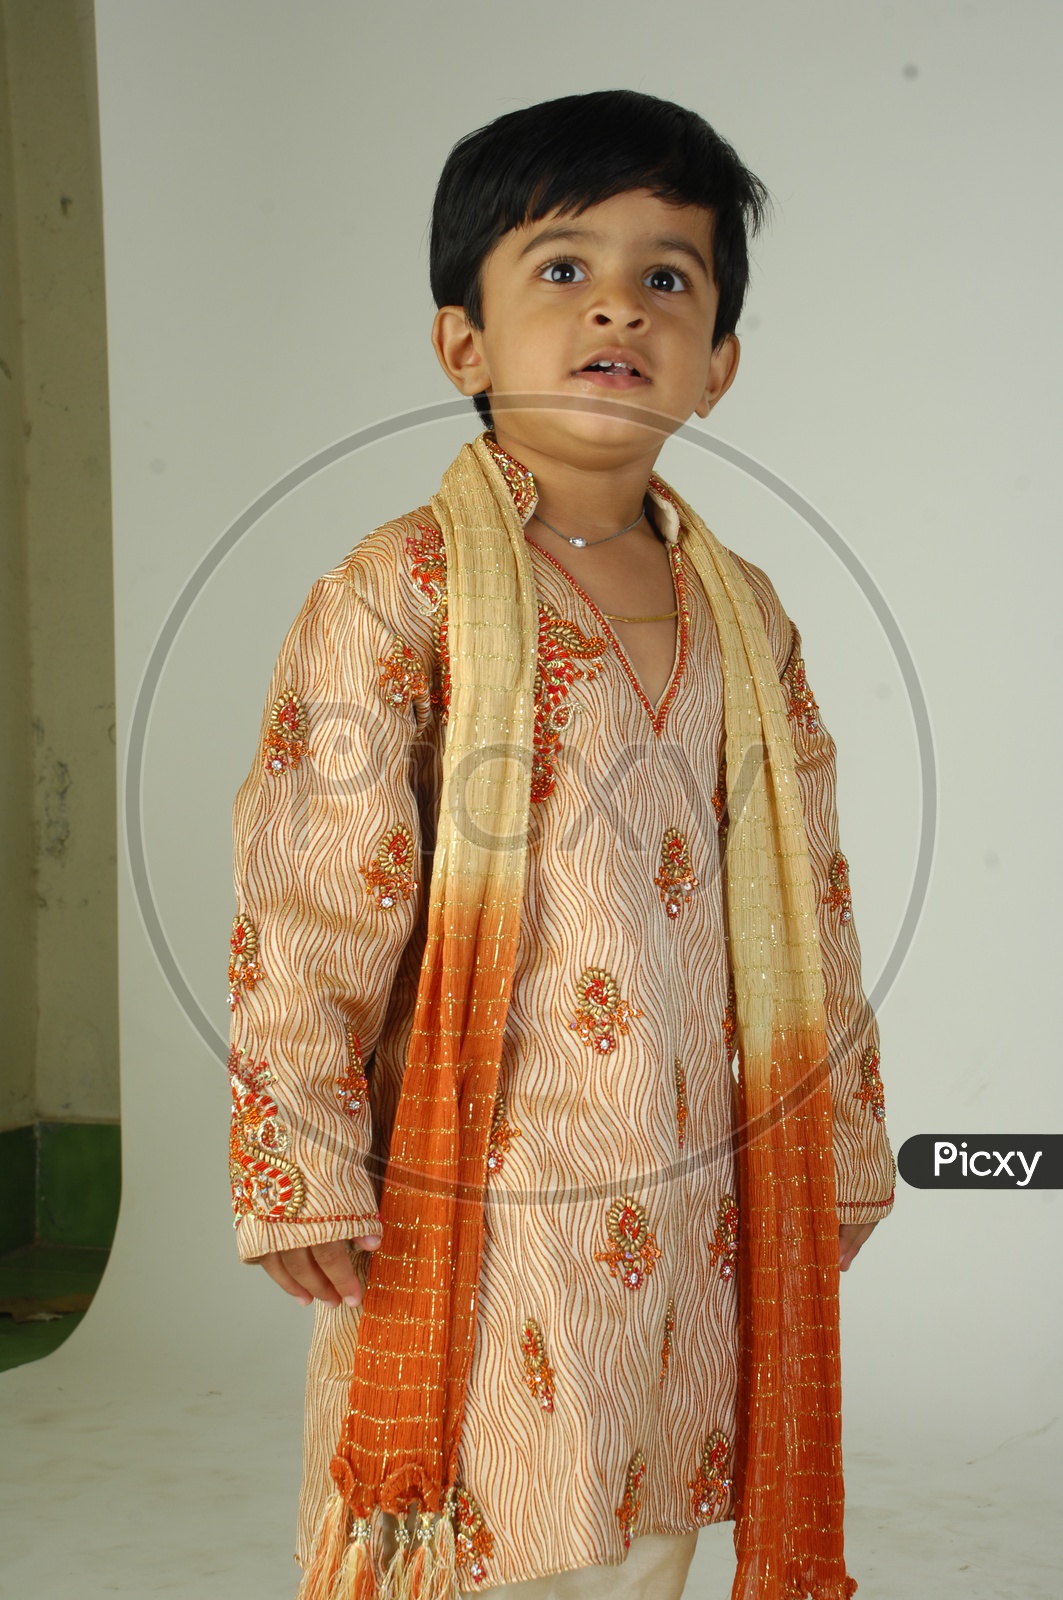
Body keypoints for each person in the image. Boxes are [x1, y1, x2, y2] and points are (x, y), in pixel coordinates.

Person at [226, 90, 895, 1600]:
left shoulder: (747, 612)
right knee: (479, 1522)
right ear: (463, 343)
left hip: (696, 1186)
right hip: (481, 1180)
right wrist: (301, 1158)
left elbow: (819, 906)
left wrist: (838, 1147)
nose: (618, 306)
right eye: (562, 267)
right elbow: (313, 899)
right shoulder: (399, 591)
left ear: (716, 365)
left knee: (647, 1509)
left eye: (668, 277)